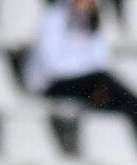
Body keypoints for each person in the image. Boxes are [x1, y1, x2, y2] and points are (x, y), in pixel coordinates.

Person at [25, 0, 137, 130]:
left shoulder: (91, 24)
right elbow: (53, 65)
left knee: (118, 98)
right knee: (105, 84)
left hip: (82, 83)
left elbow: (102, 60)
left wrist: (86, 68)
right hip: (49, 84)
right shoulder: (54, 19)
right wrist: (86, 67)